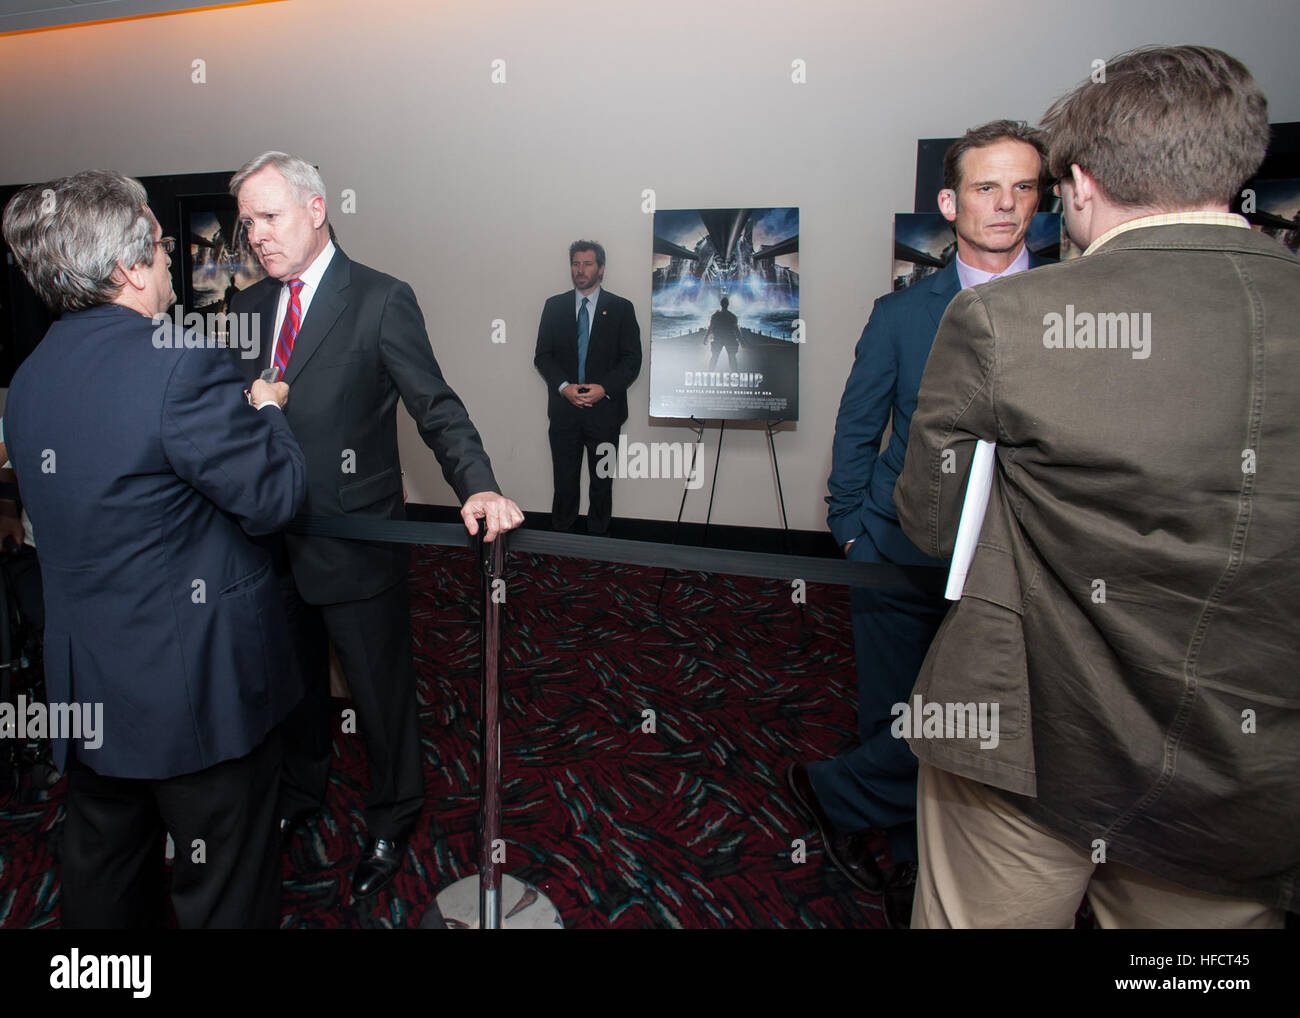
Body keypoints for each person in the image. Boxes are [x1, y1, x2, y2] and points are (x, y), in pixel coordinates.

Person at [895, 45, 1298, 928]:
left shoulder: (1012, 321)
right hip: (1248, 785)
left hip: (1029, 748)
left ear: (1076, 184)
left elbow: (931, 520)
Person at [1, 170, 307, 927]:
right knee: (223, 891)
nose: (172, 259)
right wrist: (267, 412)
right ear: (130, 267)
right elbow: (274, 500)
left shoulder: (32, 377)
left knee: (105, 885)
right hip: (195, 692)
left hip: (90, 694)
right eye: (164, 247)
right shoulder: (179, 361)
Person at [228, 151, 523, 898]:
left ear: (316, 209)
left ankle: (394, 812)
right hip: (268, 544)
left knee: (378, 692)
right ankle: (303, 791)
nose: (256, 235)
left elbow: (437, 406)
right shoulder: (249, 308)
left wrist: (479, 484)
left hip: (357, 542)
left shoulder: (381, 299)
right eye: (248, 222)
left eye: (269, 216)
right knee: (291, 687)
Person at [787, 120, 1050, 927]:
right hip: (896, 551)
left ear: (1041, 200)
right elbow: (859, 426)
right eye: (984, 187)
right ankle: (905, 856)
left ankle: (833, 788)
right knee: (897, 711)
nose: (1005, 205)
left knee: (1000, 722)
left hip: (1025, 564)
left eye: (1022, 188)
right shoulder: (902, 316)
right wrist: (850, 529)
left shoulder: (1073, 309)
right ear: (950, 201)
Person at [534, 240, 641, 536]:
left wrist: (604, 387)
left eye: (587, 264)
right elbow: (542, 355)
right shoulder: (554, 307)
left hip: (605, 412)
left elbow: (632, 360)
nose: (580, 270)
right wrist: (565, 387)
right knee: (564, 481)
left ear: (601, 268)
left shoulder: (621, 308)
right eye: (576, 263)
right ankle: (562, 539)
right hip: (564, 412)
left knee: (601, 482)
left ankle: (598, 541)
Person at [705, 296, 740, 370]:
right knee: (732, 359)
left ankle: (710, 374)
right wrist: (742, 341)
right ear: (728, 304)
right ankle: (735, 376)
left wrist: (705, 338)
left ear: (721, 304)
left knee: (714, 357)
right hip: (730, 339)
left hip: (718, 339)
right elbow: (736, 330)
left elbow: (710, 327)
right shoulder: (732, 316)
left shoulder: (715, 316)